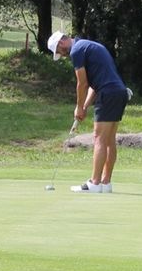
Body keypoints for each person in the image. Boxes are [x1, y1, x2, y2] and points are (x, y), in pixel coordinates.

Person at [47, 31, 129, 194]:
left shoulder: (77, 50)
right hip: (119, 92)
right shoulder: (89, 45)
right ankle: (106, 183)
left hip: (108, 94)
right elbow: (93, 84)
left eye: (59, 52)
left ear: (61, 43)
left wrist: (78, 107)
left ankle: (94, 182)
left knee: (99, 138)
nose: (61, 55)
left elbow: (82, 83)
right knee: (109, 139)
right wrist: (84, 106)